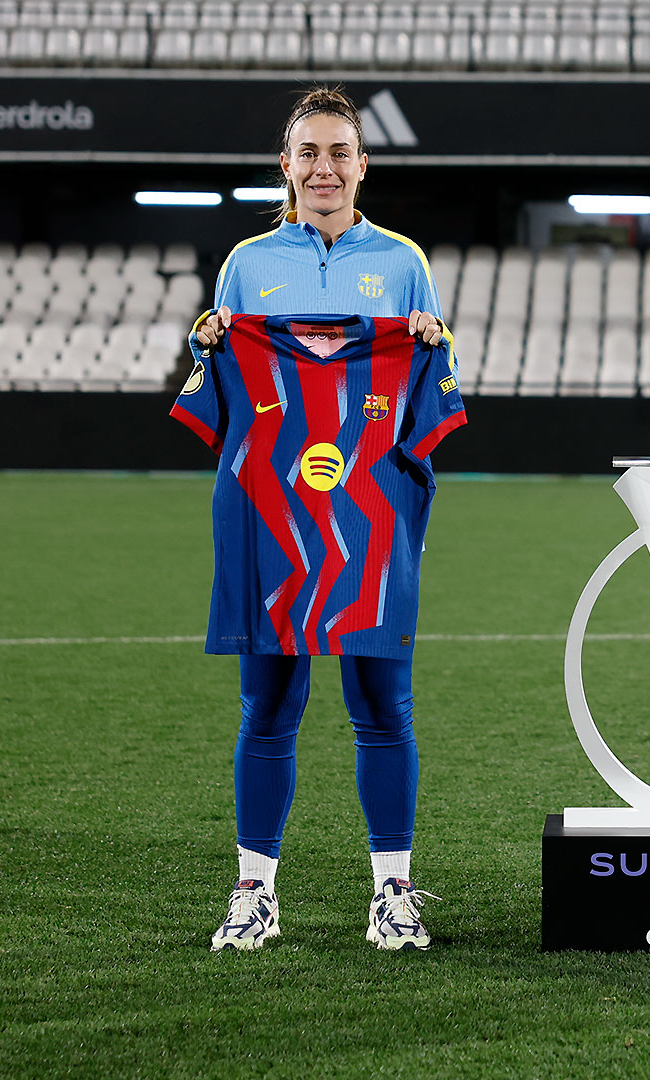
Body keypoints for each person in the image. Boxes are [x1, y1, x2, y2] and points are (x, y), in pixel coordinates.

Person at [183, 86, 456, 952]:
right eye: (309, 154)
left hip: (369, 520)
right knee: (268, 705)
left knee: (383, 702)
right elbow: (221, 398)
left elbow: (425, 389)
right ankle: (253, 891)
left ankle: (394, 892)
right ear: (287, 165)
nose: (324, 169)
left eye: (340, 153)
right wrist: (211, 344)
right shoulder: (246, 264)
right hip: (273, 519)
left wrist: (429, 341)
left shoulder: (405, 261)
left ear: (362, 165)